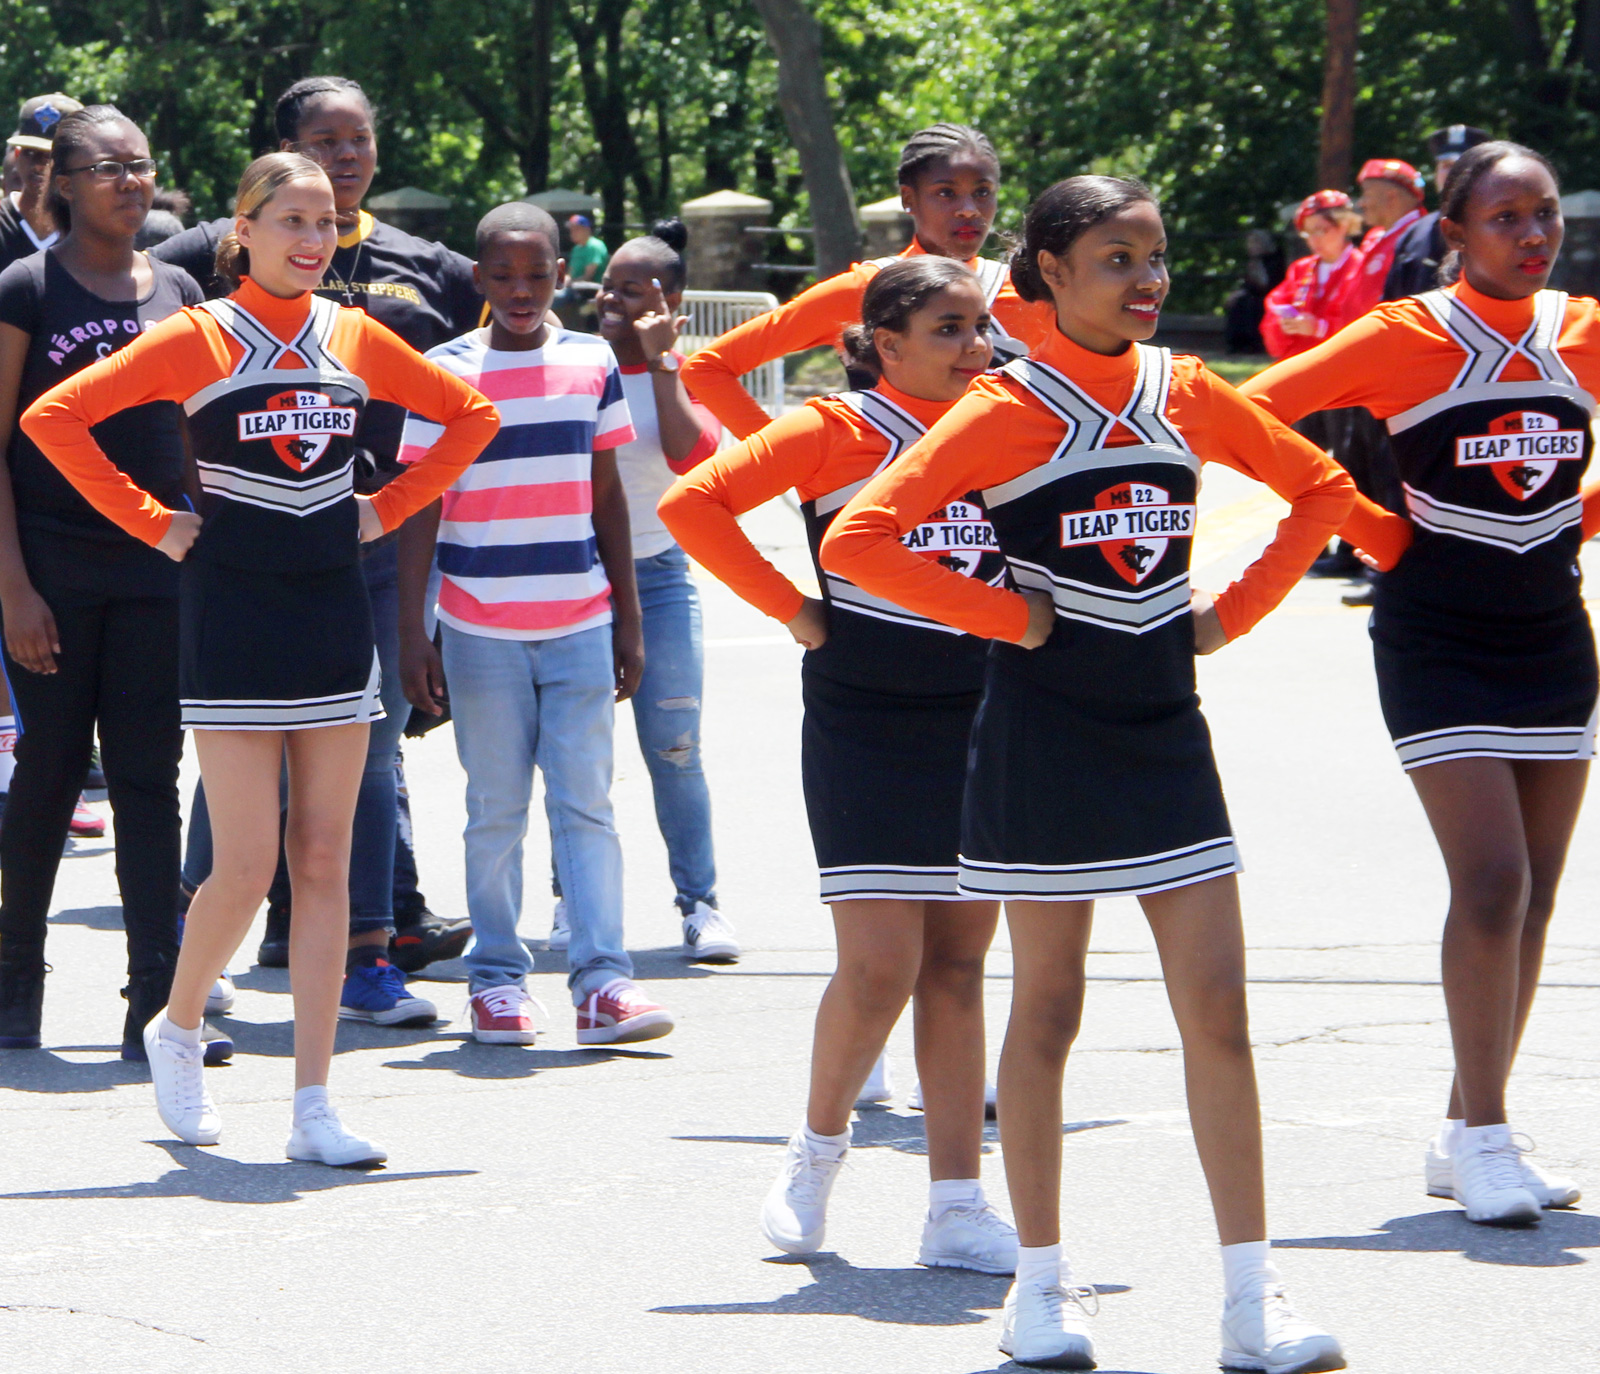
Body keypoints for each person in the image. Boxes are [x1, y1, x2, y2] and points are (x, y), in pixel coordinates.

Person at [821, 176, 1350, 1373]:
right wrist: (1008, 619)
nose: (1147, 278)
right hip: (1042, 737)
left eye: (1154, 255)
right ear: (1051, 273)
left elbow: (1320, 488)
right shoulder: (1003, 405)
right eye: (1117, 258)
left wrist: (1227, 616)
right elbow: (860, 538)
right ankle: (1041, 1289)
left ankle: (1251, 1302)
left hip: (1165, 730)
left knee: (1218, 1011)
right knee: (1047, 1011)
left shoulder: (1187, 389)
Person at [21, 151, 498, 1163]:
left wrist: (387, 508)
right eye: (292, 221)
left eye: (326, 222)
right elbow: (51, 417)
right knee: (242, 866)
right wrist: (155, 523)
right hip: (230, 613)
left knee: (323, 859)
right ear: (245, 232)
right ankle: (179, 1023)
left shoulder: (354, 332)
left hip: (332, 613)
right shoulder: (196, 334)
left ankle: (313, 1106)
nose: (313, 239)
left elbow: (473, 415)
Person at [1241, 141, 1593, 1227]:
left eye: (1545, 215)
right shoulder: (1404, 335)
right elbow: (1248, 417)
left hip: (1552, 636)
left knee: (1532, 896)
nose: (1532, 235)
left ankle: (1463, 1131)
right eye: (1505, 218)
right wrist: (1369, 526)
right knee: (1490, 883)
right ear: (1453, 231)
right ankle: (1488, 1139)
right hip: (1437, 635)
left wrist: (1578, 519)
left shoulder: (1581, 328)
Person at [661, 257, 1017, 1273]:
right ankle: (818, 1149)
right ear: (885, 344)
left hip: (985, 717)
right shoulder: (834, 429)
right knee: (878, 966)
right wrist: (794, 609)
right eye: (948, 329)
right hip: (866, 721)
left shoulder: (1010, 426)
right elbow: (695, 505)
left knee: (958, 965)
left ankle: (956, 1205)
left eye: (981, 327)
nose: (975, 346)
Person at [154, 75, 479, 1006]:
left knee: (371, 758)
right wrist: (170, 510)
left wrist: (393, 508)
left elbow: (478, 397)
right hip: (243, 551)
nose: (345, 157)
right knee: (243, 769)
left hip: (362, 550)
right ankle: (196, 948)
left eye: (359, 138)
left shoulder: (430, 267)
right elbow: (127, 347)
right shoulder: (203, 259)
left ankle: (367, 952)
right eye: (323, 142)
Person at [398, 203, 674, 1048]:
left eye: (537, 274)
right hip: (478, 630)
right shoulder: (443, 371)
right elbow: (419, 506)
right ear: (478, 278)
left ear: (563, 274)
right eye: (502, 276)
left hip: (581, 620)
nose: (521, 291)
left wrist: (629, 617)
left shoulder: (592, 360)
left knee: (587, 804)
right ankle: (496, 980)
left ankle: (602, 980)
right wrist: (413, 631)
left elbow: (607, 494)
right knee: (495, 809)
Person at [0, 105, 212, 1060]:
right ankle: (15, 983)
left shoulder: (180, 288)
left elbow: (192, 435)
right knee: (47, 773)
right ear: (65, 184)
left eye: (141, 166)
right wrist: (13, 590)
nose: (130, 181)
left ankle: (155, 1003)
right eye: (107, 167)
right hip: (50, 570)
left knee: (147, 780)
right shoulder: (26, 286)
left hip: (155, 569)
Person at [682, 123, 1054, 440]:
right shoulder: (865, 288)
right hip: (886, 498)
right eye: (946, 193)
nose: (969, 209)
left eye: (983, 192)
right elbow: (707, 368)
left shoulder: (1029, 291)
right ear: (908, 199)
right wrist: (787, 463)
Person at [589, 219, 739, 961]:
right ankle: (572, 901)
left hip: (658, 577)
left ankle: (700, 905)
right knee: (576, 756)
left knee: (675, 747)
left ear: (669, 302)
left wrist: (662, 365)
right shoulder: (576, 362)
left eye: (629, 289)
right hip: (575, 579)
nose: (609, 299)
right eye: (606, 286)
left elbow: (691, 459)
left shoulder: (687, 373)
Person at [1385, 126, 1492, 301]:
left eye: (1461, 165)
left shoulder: (1499, 230)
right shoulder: (1413, 234)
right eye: (1446, 165)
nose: (1452, 173)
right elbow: (1391, 301)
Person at [1261, 191, 1364, 360]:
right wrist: (1284, 326)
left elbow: (1363, 326)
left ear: (1344, 225)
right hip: (1299, 361)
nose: (1313, 240)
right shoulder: (1300, 269)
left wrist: (1319, 328)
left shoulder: (1361, 268)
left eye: (1321, 230)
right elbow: (1274, 311)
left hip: (1341, 363)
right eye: (1307, 232)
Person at [0, 95, 81, 273]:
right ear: (17, 155)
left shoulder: (89, 229)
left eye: (51, 156)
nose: (39, 166)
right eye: (30, 153)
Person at [1343, 158, 1427, 324]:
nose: (1361, 203)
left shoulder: (1421, 238)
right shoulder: (1375, 236)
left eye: (1366, 194)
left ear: (1391, 197)